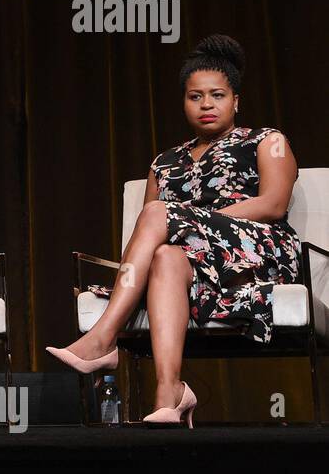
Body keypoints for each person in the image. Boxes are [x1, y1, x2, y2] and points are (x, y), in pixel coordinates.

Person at [46, 36, 299, 427]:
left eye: (217, 95)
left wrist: (197, 220)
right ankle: (170, 392)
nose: (207, 104)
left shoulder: (266, 140)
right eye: (195, 96)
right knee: (164, 255)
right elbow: (153, 227)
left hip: (254, 252)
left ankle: (104, 337)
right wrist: (184, 226)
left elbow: (274, 203)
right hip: (188, 264)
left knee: (161, 216)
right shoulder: (165, 162)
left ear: (236, 101)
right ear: (184, 102)